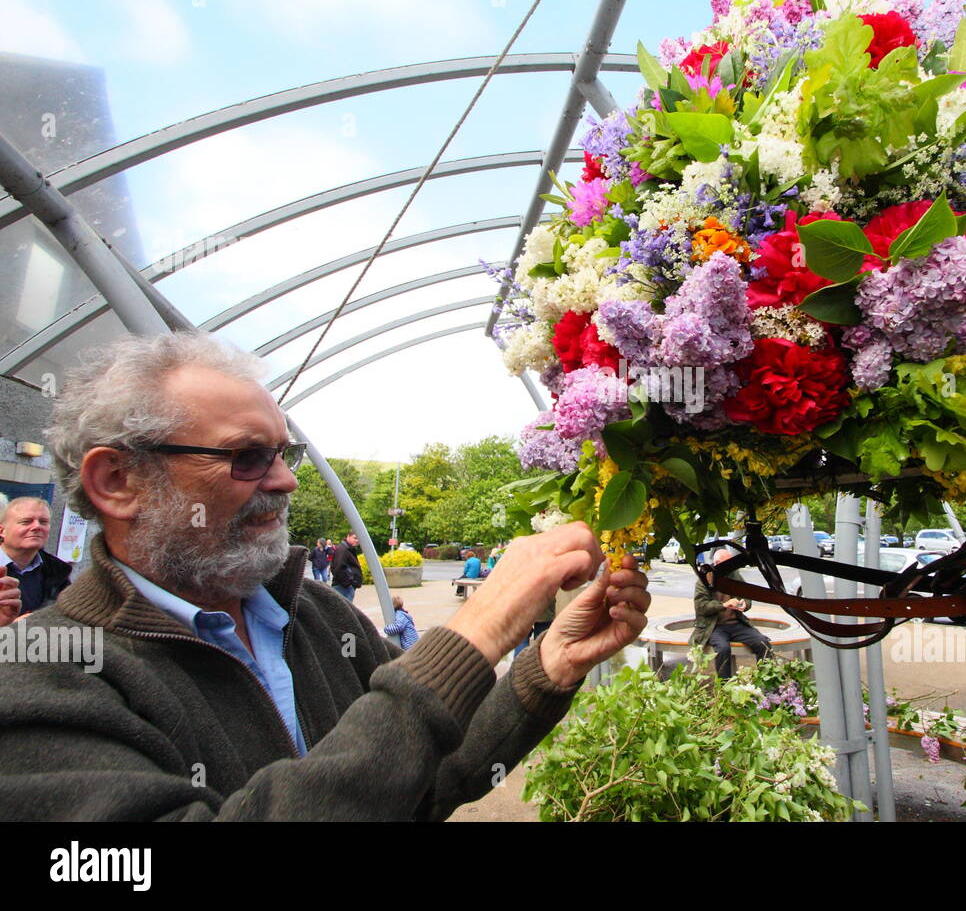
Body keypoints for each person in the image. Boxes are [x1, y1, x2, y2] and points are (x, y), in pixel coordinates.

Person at [0, 331, 650, 820]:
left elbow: (422, 773)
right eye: (247, 457)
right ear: (119, 482)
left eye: (284, 454)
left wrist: (549, 666)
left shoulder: (317, 616)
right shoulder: (37, 681)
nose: (284, 482)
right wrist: (475, 633)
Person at [691, 548, 771, 679]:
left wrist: (745, 604)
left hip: (736, 624)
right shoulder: (704, 579)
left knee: (763, 643)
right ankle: (724, 688)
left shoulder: (735, 575)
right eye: (727, 564)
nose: (730, 567)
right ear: (717, 564)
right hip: (714, 626)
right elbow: (700, 606)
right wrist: (723, 605)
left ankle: (766, 683)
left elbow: (747, 596)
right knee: (723, 649)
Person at [0, 496, 72, 626]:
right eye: (26, 522)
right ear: (2, 531)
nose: (37, 527)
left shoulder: (58, 572)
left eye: (43, 522)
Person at [330, 531, 364, 602]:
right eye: (355, 538)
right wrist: (348, 584)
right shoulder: (343, 549)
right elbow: (338, 568)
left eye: (359, 539)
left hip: (345, 586)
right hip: (343, 587)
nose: (357, 540)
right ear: (348, 536)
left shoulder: (347, 549)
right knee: (342, 610)